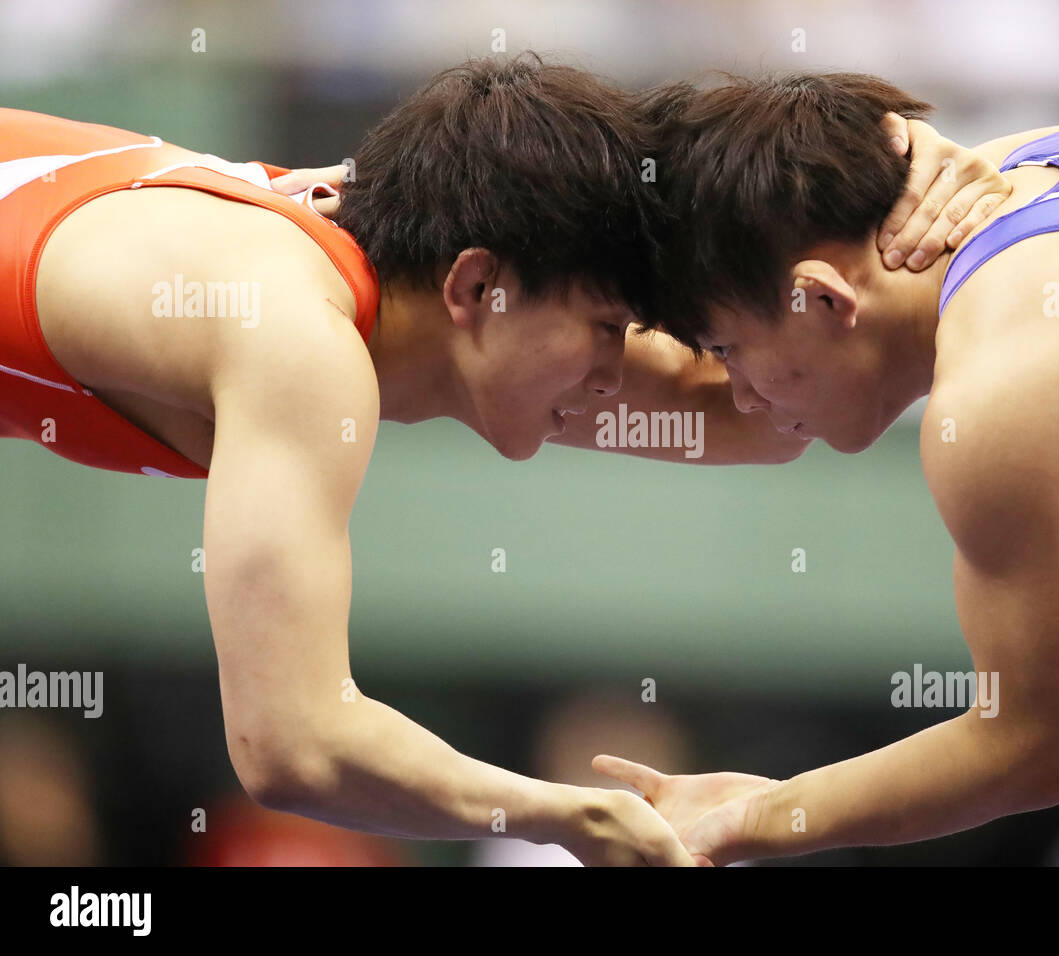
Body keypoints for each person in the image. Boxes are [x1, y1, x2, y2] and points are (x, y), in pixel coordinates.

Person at [0, 56, 1008, 864]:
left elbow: (761, 411)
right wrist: (563, 814)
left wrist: (895, 172)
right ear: (478, 287)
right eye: (608, 327)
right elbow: (293, 746)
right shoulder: (293, 341)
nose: (622, 376)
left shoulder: (414, 250)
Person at [590, 72, 1059, 867]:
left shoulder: (1001, 399)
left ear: (820, 299)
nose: (740, 397)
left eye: (728, 352)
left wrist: (759, 815)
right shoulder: (1018, 165)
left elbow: (1043, 741)